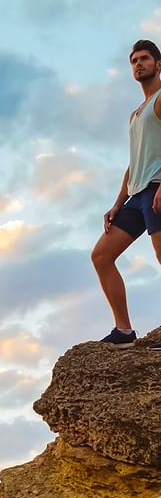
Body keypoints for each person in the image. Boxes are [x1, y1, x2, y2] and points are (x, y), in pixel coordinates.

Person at [91, 39, 161, 345]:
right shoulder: (135, 114)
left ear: (158, 65)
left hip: (158, 188)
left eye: (144, 59)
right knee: (101, 255)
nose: (138, 64)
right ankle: (124, 331)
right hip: (137, 195)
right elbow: (134, 163)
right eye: (134, 60)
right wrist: (118, 202)